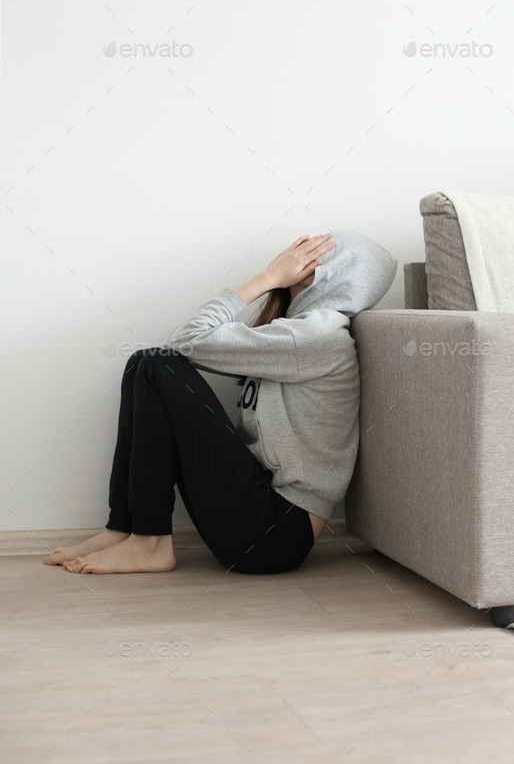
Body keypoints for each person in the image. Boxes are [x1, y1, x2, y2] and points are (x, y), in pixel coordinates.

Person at [44, 231, 397, 575]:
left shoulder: (315, 336)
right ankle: (123, 528)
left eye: (304, 257)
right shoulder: (302, 329)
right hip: (265, 517)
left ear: (322, 275)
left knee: (157, 364)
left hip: (276, 533)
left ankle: (150, 543)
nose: (291, 261)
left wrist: (267, 278)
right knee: (142, 363)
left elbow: (186, 341)